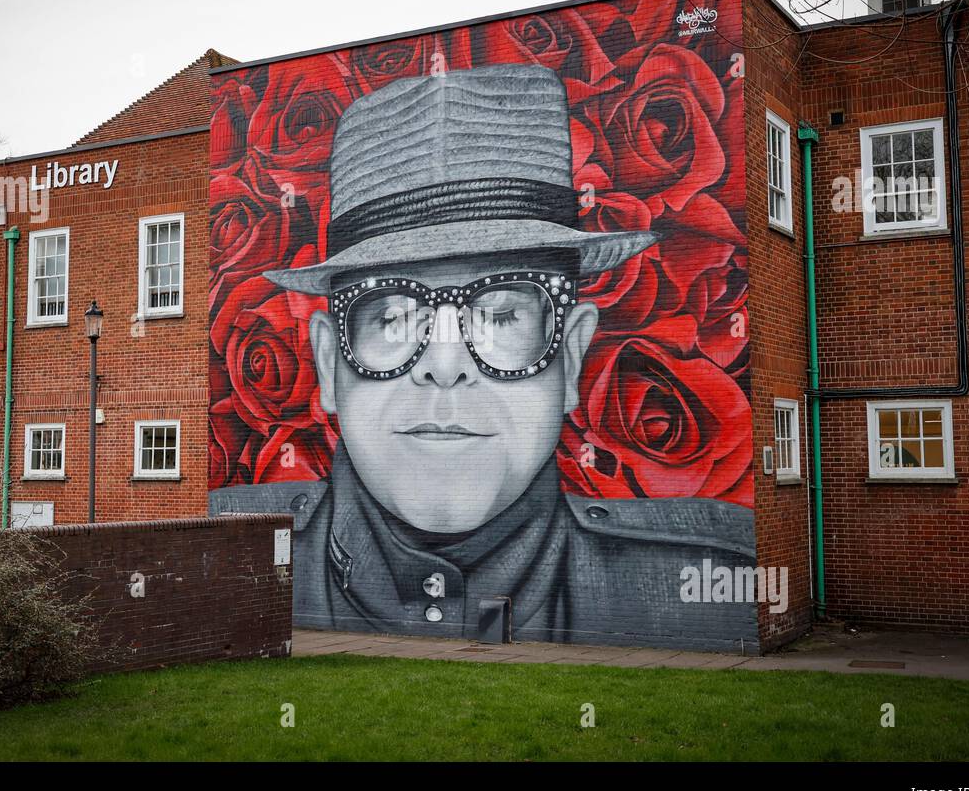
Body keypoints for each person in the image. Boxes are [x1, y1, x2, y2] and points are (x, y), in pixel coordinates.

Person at [211, 64, 757, 650]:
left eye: (501, 316)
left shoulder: (708, 590)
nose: (445, 367)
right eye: (392, 315)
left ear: (571, 359)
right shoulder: (213, 560)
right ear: (328, 364)